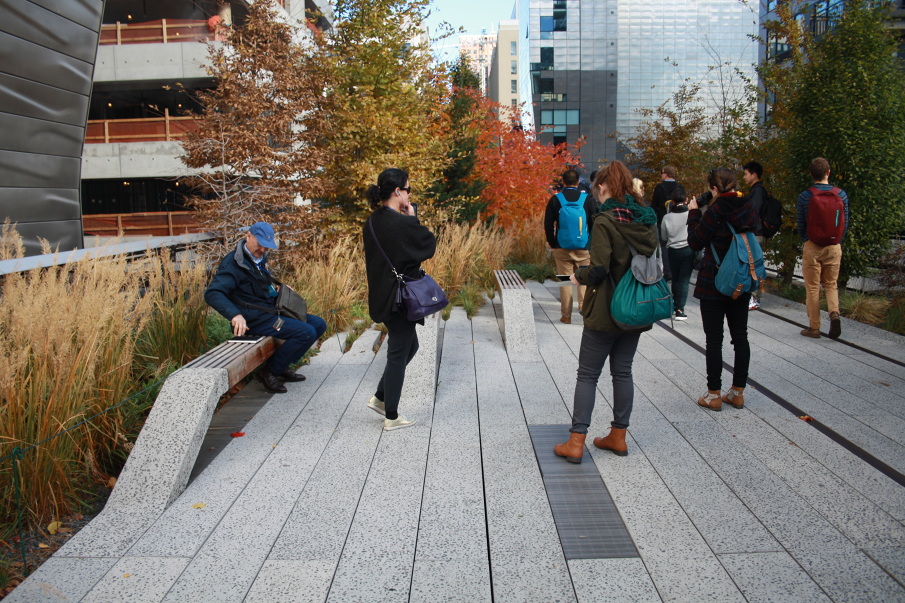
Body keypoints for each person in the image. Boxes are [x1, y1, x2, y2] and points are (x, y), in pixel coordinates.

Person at [553, 161, 659, 462]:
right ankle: (618, 436)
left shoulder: (606, 220)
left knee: (588, 375)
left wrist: (578, 276)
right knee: (623, 371)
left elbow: (598, 268)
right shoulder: (647, 219)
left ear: (602, 187)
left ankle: (576, 442)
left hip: (606, 308)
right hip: (636, 306)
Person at [205, 222, 327, 394]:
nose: (262, 249)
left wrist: (278, 288)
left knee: (319, 324)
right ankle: (269, 372)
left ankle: (282, 365)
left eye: (266, 246)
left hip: (271, 310)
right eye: (259, 244)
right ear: (248, 236)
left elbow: (260, 283)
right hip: (253, 319)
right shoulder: (233, 264)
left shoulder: (259, 258)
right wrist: (235, 315)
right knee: (306, 332)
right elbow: (213, 293)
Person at [363, 168, 437, 431]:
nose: (409, 195)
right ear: (397, 191)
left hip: (383, 295)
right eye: (408, 190)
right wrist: (413, 218)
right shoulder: (401, 222)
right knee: (398, 354)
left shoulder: (372, 221)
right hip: (401, 299)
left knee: (410, 346)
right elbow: (427, 245)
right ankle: (391, 416)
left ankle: (380, 398)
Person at [687, 168, 759, 411]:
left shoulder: (715, 211)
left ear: (715, 188)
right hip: (741, 279)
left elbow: (695, 241)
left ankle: (714, 394)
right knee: (740, 337)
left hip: (714, 280)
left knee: (714, 340)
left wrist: (694, 213)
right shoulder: (748, 206)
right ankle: (737, 393)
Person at [796, 157, 849, 340]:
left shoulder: (805, 196)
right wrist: (838, 239)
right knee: (831, 284)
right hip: (833, 245)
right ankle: (834, 313)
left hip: (812, 245)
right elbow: (845, 222)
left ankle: (814, 328)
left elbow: (801, 223)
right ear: (828, 172)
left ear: (811, 174)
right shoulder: (841, 195)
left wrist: (806, 240)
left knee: (812, 288)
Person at [544, 169, 596, 324]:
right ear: (578, 182)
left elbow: (548, 224)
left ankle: (566, 316)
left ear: (563, 182)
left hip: (562, 247)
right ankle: (584, 308)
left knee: (566, 281)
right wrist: (590, 244)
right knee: (584, 278)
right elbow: (593, 223)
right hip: (583, 247)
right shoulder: (587, 199)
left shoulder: (556, 199)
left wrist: (553, 243)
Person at [660, 185, 693, 321]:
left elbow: (663, 237)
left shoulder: (667, 217)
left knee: (675, 278)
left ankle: (675, 305)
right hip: (688, 249)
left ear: (672, 201)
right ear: (686, 199)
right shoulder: (691, 215)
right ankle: (680, 309)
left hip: (673, 250)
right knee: (684, 280)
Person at [742, 161, 766, 310]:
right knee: (751, 263)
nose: (744, 177)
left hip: (755, 233)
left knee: (754, 264)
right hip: (754, 232)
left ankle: (755, 297)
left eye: (746, 174)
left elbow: (753, 211)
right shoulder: (756, 190)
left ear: (754, 175)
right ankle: (752, 295)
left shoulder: (757, 191)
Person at [652, 166, 680, 280]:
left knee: (664, 245)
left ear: (666, 174)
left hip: (662, 220)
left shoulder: (659, 187)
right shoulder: (679, 187)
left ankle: (667, 272)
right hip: (677, 220)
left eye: (662, 173)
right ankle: (676, 269)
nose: (661, 175)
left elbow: (654, 205)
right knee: (676, 244)